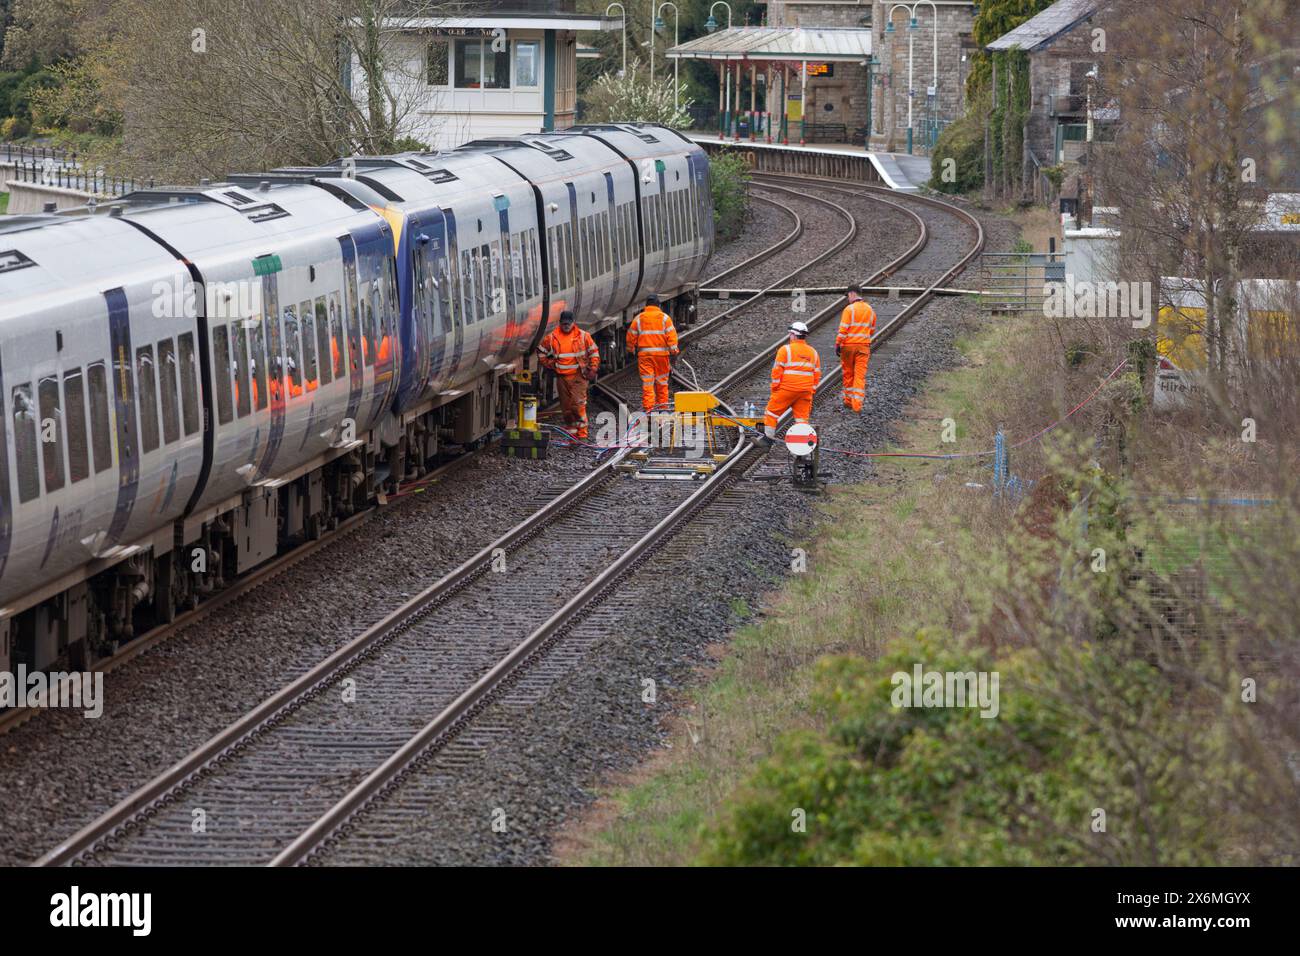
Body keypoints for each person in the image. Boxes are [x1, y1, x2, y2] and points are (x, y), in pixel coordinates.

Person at [539, 310, 600, 439]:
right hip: (562, 378)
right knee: (566, 408)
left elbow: (594, 352)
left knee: (577, 405)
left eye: (568, 323)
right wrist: (550, 364)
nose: (566, 326)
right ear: (560, 323)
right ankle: (572, 434)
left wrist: (593, 368)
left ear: (573, 323)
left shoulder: (583, 336)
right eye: (564, 323)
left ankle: (582, 434)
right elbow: (541, 351)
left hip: (579, 376)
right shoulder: (552, 337)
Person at [763, 321, 821, 440]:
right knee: (801, 420)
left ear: (794, 335)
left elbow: (777, 371)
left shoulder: (785, 350)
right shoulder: (813, 352)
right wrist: (811, 391)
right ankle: (799, 449)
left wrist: (775, 388)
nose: (789, 336)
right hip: (805, 392)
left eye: (790, 334)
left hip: (787, 389)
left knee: (771, 413)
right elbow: (817, 374)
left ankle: (767, 441)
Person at [626, 295, 679, 413]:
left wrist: (631, 349)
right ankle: (663, 409)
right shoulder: (665, 318)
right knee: (662, 383)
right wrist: (674, 351)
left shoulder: (639, 319)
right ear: (658, 305)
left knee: (648, 384)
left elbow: (631, 336)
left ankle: (649, 411)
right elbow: (672, 336)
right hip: (662, 357)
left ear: (646, 306)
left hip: (645, 357)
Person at [836, 284, 877, 413]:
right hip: (863, 347)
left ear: (852, 294)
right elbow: (871, 330)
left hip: (848, 347)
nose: (847, 298)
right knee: (860, 376)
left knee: (848, 373)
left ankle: (848, 401)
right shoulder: (870, 310)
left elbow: (843, 330)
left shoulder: (849, 310)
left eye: (848, 295)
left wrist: (838, 344)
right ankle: (857, 405)